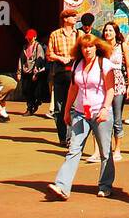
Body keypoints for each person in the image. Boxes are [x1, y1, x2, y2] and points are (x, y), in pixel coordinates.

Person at [47, 33, 116, 200]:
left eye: (90, 46)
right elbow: (73, 88)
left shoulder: (104, 64)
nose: (87, 50)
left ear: (96, 47)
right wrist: (66, 111)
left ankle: (105, 185)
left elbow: (110, 89)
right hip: (80, 112)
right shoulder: (77, 64)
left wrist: (105, 108)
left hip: (100, 112)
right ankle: (62, 186)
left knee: (105, 151)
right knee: (74, 149)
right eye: (84, 47)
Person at [101, 20, 129, 162]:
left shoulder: (122, 46)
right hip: (103, 82)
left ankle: (117, 148)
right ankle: (103, 148)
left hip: (118, 81)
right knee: (104, 115)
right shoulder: (100, 46)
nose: (108, 33)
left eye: (110, 31)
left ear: (116, 33)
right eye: (106, 31)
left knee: (117, 118)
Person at [46, 10, 78, 146]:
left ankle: (71, 137)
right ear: (65, 19)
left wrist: (71, 58)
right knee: (59, 107)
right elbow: (49, 54)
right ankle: (62, 137)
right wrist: (60, 58)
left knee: (72, 106)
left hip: (74, 72)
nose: (75, 18)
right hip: (59, 72)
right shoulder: (55, 34)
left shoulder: (79, 34)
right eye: (72, 16)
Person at [17, 28, 46, 115]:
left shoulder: (38, 47)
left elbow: (40, 59)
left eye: (31, 37)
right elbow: (20, 60)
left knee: (34, 91)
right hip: (26, 72)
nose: (29, 39)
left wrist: (36, 73)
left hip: (35, 72)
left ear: (35, 37)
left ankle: (33, 105)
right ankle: (30, 107)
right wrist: (19, 72)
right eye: (28, 37)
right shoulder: (25, 47)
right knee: (26, 90)